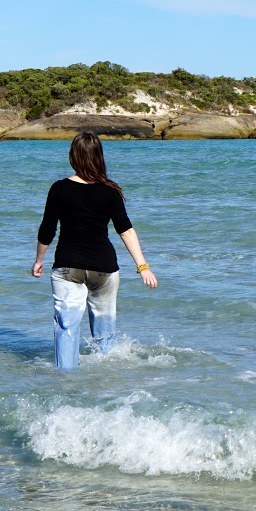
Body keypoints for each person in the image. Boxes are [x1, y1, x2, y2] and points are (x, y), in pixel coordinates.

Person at [32, 132, 158, 370]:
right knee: (104, 332)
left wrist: (39, 260)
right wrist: (143, 267)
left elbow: (47, 229)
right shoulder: (110, 191)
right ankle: (104, 382)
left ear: (73, 157)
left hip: (68, 267)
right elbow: (126, 230)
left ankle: (65, 382)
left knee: (66, 328)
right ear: (99, 157)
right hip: (104, 270)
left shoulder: (59, 188)